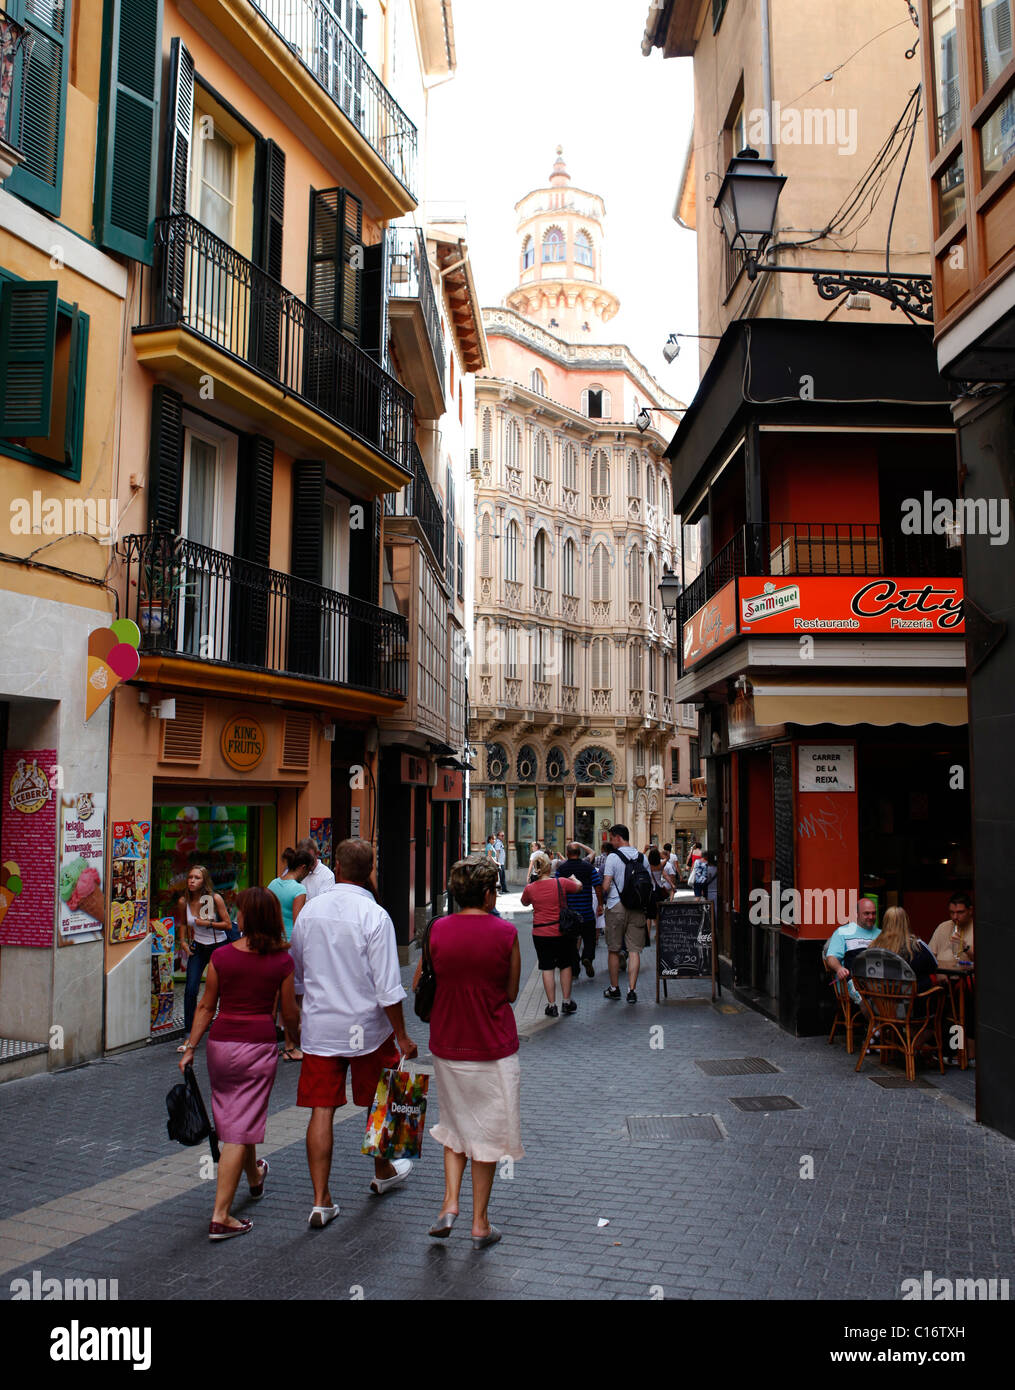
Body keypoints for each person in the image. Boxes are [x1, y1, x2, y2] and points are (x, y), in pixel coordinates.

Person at [290, 838, 418, 1228]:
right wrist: (402, 1035)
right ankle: (383, 1170)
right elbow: (388, 988)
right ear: (370, 871)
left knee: (321, 1108)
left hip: (321, 1026)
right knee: (386, 1097)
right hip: (368, 1027)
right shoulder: (375, 916)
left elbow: (298, 976)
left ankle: (320, 1200)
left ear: (338, 868)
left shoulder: (310, 912)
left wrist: (304, 1013)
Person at [178, 886, 300, 1240]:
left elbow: (206, 1006)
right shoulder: (282, 961)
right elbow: (289, 1012)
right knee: (238, 1126)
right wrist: (297, 1041)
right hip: (258, 1046)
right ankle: (221, 1216)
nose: (237, 916)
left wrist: (190, 1047)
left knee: (236, 1115)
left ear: (249, 918)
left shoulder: (222, 957)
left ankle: (254, 1176)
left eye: (241, 911)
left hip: (221, 1045)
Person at [415, 855, 523, 1249]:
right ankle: (479, 1222)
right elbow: (512, 992)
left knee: (454, 1125)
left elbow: (421, 981)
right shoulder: (506, 933)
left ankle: (449, 1203)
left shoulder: (437, 930)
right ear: (490, 893)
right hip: (493, 1046)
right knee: (488, 1135)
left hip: (448, 1044)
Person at [176, 866, 233, 1052]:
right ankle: (189, 1033)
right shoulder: (183, 901)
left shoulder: (214, 899)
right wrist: (183, 942)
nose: (192, 880)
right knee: (190, 989)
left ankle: (225, 1029)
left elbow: (228, 925)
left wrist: (207, 923)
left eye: (197, 878)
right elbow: (183, 923)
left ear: (204, 881)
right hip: (198, 948)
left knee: (222, 990)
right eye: (190, 877)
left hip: (218, 947)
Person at [266, 849, 314, 1062]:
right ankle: (290, 1045)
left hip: (271, 942)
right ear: (302, 868)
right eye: (308, 871)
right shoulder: (299, 889)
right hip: (289, 945)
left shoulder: (273, 884)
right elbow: (298, 922)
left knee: (273, 995)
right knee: (292, 997)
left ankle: (268, 1044)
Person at [521, 851, 582, 1016]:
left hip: (540, 932)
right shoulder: (561, 882)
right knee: (565, 965)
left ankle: (551, 1005)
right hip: (561, 931)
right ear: (550, 867)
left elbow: (524, 902)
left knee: (546, 967)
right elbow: (579, 887)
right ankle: (566, 1002)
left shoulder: (530, 888)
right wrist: (574, 878)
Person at [601, 824, 652, 1004]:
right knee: (634, 951)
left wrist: (603, 897)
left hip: (616, 906)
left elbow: (605, 886)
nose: (611, 841)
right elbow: (649, 885)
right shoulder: (642, 858)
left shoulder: (612, 857)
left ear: (617, 837)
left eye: (611, 838)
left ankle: (615, 988)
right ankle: (632, 990)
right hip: (637, 908)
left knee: (614, 949)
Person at [555, 842, 604, 979]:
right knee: (590, 940)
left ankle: (575, 970)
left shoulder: (562, 868)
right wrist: (600, 904)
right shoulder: (588, 867)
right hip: (586, 912)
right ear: (579, 853)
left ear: (567, 853)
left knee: (571, 943)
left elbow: (557, 887)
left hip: (570, 914)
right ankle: (587, 957)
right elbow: (598, 885)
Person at [823, 898, 880, 1004]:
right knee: (868, 999)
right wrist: (839, 968)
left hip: (877, 980)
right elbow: (831, 957)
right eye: (866, 913)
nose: (871, 917)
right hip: (852, 981)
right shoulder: (843, 932)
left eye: (873, 913)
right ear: (857, 914)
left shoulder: (881, 934)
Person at [870, 907, 937, 992]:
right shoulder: (917, 946)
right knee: (931, 978)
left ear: (885, 922)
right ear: (906, 922)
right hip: (909, 997)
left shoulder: (873, 946)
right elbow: (934, 966)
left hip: (879, 997)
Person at [928, 893, 975, 968]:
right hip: (941, 973)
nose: (955, 917)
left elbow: (984, 962)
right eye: (952, 912)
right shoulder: (943, 926)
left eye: (960, 912)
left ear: (970, 910)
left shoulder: (978, 929)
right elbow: (930, 956)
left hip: (964, 974)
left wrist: (965, 948)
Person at [298, 836, 335, 901]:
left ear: (317, 854)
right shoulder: (299, 871)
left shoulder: (327, 875)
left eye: (309, 858)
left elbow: (322, 902)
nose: (307, 861)